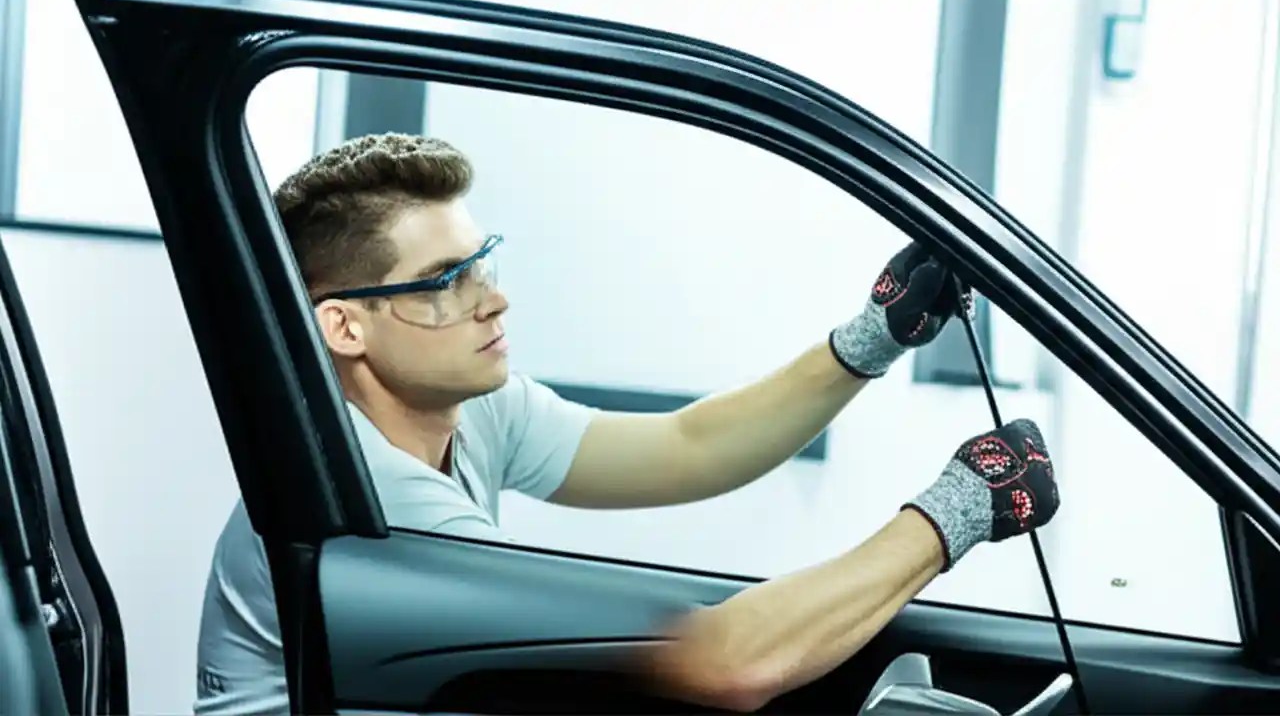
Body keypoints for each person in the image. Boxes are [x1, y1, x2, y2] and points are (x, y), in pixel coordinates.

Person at [193, 133, 1061, 715]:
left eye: (484, 262)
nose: (494, 299)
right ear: (344, 326)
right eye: (448, 280)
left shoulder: (471, 410)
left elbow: (687, 449)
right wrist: (955, 510)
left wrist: (872, 339)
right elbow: (723, 662)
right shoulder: (370, 498)